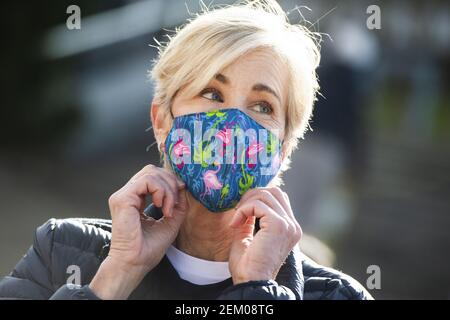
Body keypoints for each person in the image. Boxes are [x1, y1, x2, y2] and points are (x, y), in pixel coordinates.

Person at [0, 0, 372, 300]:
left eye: (262, 106)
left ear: (284, 147)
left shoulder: (338, 295)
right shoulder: (60, 253)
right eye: (212, 94)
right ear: (162, 120)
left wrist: (258, 290)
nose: (232, 123)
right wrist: (115, 277)